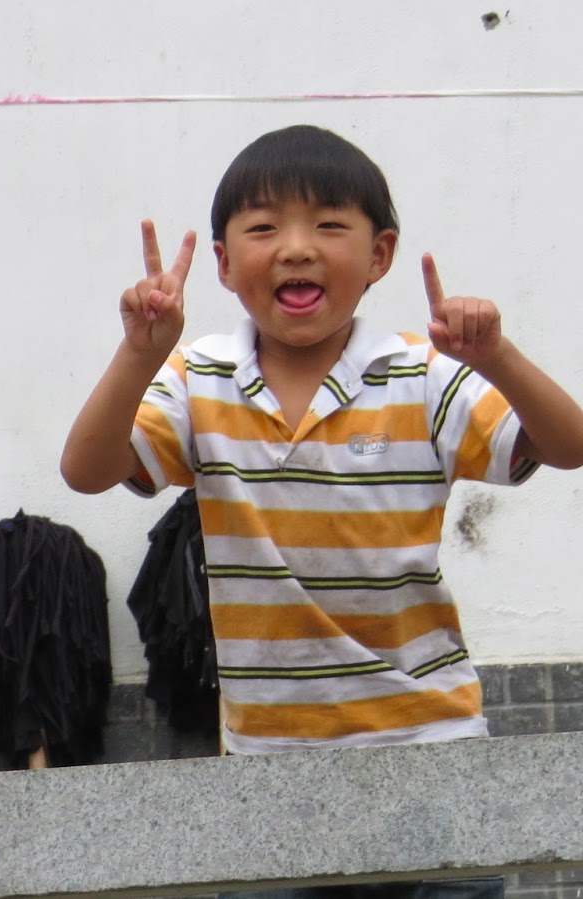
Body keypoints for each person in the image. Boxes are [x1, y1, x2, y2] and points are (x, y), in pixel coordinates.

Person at [60, 124, 583, 897]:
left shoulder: (424, 375)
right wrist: (140, 351)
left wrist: (494, 356)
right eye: (265, 227)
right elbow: (86, 470)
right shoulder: (198, 376)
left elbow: (566, 446)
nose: (297, 248)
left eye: (329, 224)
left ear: (379, 255)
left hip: (430, 748)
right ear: (225, 263)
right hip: (269, 766)